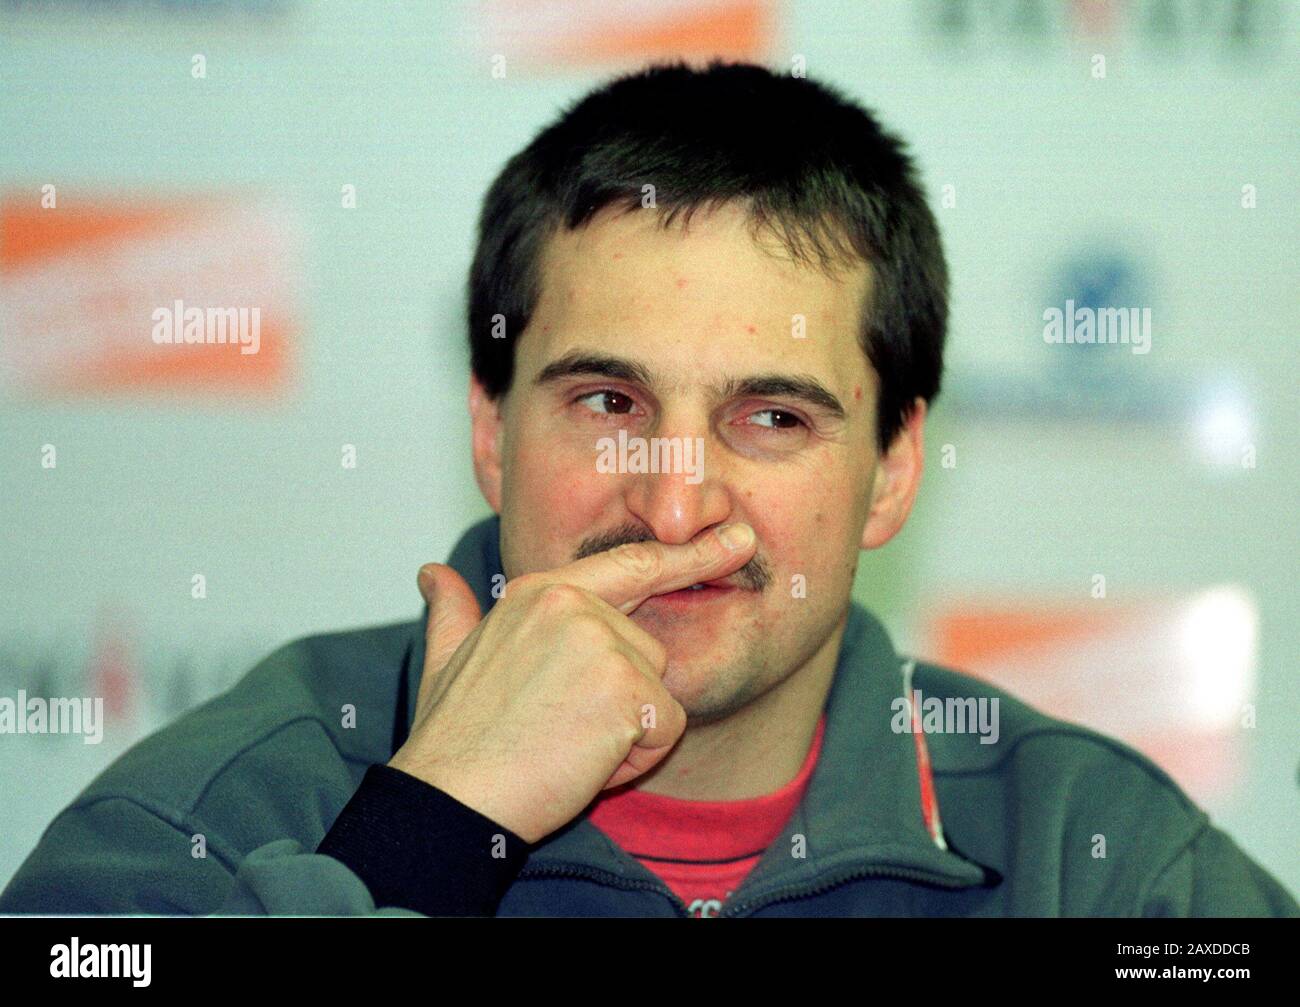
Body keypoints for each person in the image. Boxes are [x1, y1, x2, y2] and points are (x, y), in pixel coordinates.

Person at [2, 61, 1294, 919]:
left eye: (770, 417)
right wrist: (434, 827)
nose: (674, 509)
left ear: (894, 467)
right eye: (609, 404)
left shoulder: (1100, 865)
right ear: (491, 431)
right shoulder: (208, 821)